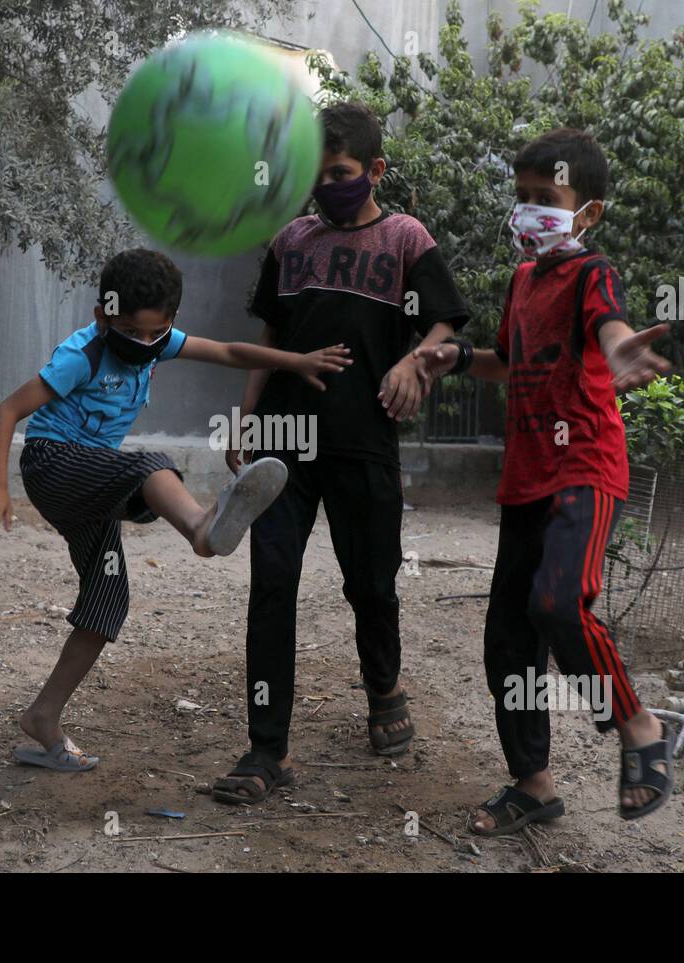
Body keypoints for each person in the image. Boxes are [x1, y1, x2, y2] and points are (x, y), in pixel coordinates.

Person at [0, 248, 352, 771]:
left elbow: (229, 353)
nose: (145, 344)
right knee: (150, 464)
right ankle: (202, 526)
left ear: (170, 323)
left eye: (157, 334)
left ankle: (44, 716)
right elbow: (7, 412)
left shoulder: (155, 344)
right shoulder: (82, 355)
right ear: (102, 314)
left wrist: (297, 361)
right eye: (131, 331)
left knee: (107, 600)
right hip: (53, 464)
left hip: (94, 481)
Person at [415, 128, 676, 832]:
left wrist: (623, 350)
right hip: (525, 477)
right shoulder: (523, 279)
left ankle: (641, 725)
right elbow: (508, 357)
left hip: (585, 468)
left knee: (561, 603)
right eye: (522, 197)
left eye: (547, 198)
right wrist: (457, 359)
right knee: (508, 639)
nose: (530, 210)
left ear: (586, 213)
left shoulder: (592, 272)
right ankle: (533, 784)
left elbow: (611, 328)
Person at [211, 102, 470, 804]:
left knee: (371, 583)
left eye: (342, 173)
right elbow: (271, 329)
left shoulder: (405, 238)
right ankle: (266, 751)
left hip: (364, 439)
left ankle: (383, 685)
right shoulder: (291, 239)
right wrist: (244, 418)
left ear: (376, 170)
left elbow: (446, 317)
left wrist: (416, 361)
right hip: (282, 443)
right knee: (271, 587)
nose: (327, 186)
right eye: (315, 175)